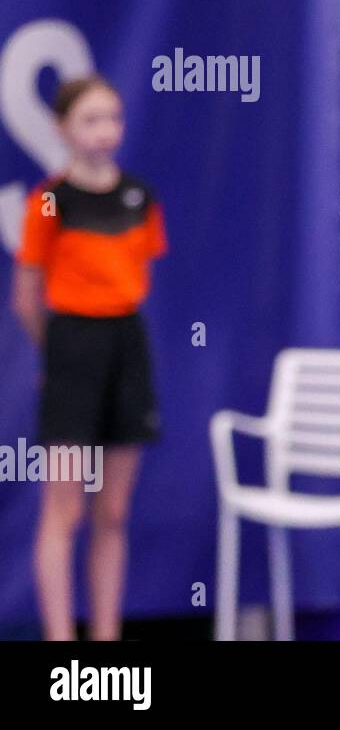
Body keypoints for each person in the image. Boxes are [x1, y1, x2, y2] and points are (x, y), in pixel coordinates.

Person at [10, 75, 168, 640]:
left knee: (113, 514)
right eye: (90, 120)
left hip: (127, 347)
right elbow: (26, 296)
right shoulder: (49, 201)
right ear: (62, 129)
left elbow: (137, 273)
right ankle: (61, 643)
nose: (105, 132)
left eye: (113, 119)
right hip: (73, 350)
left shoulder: (138, 196)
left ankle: (106, 641)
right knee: (65, 514)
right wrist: (58, 354)